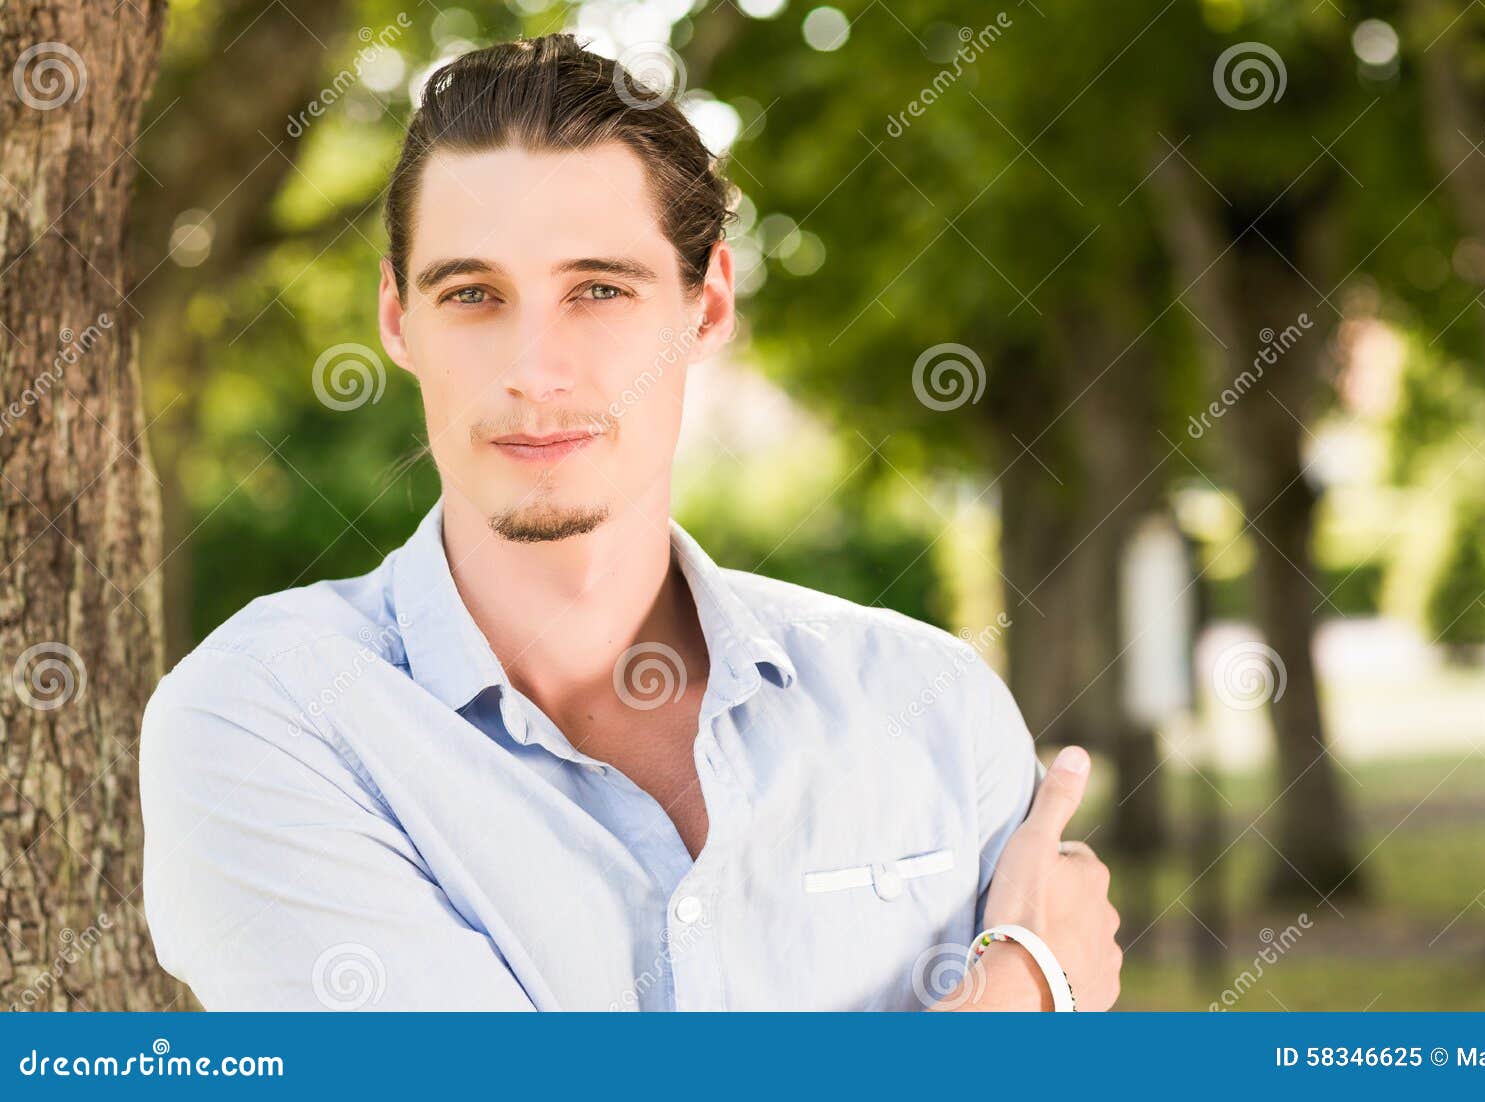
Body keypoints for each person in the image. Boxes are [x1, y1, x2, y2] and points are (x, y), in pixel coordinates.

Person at [138, 33, 1121, 1011]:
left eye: (598, 289)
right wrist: (1015, 996)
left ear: (708, 304)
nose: (534, 367)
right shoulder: (271, 716)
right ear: (399, 318)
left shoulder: (932, 707)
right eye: (472, 294)